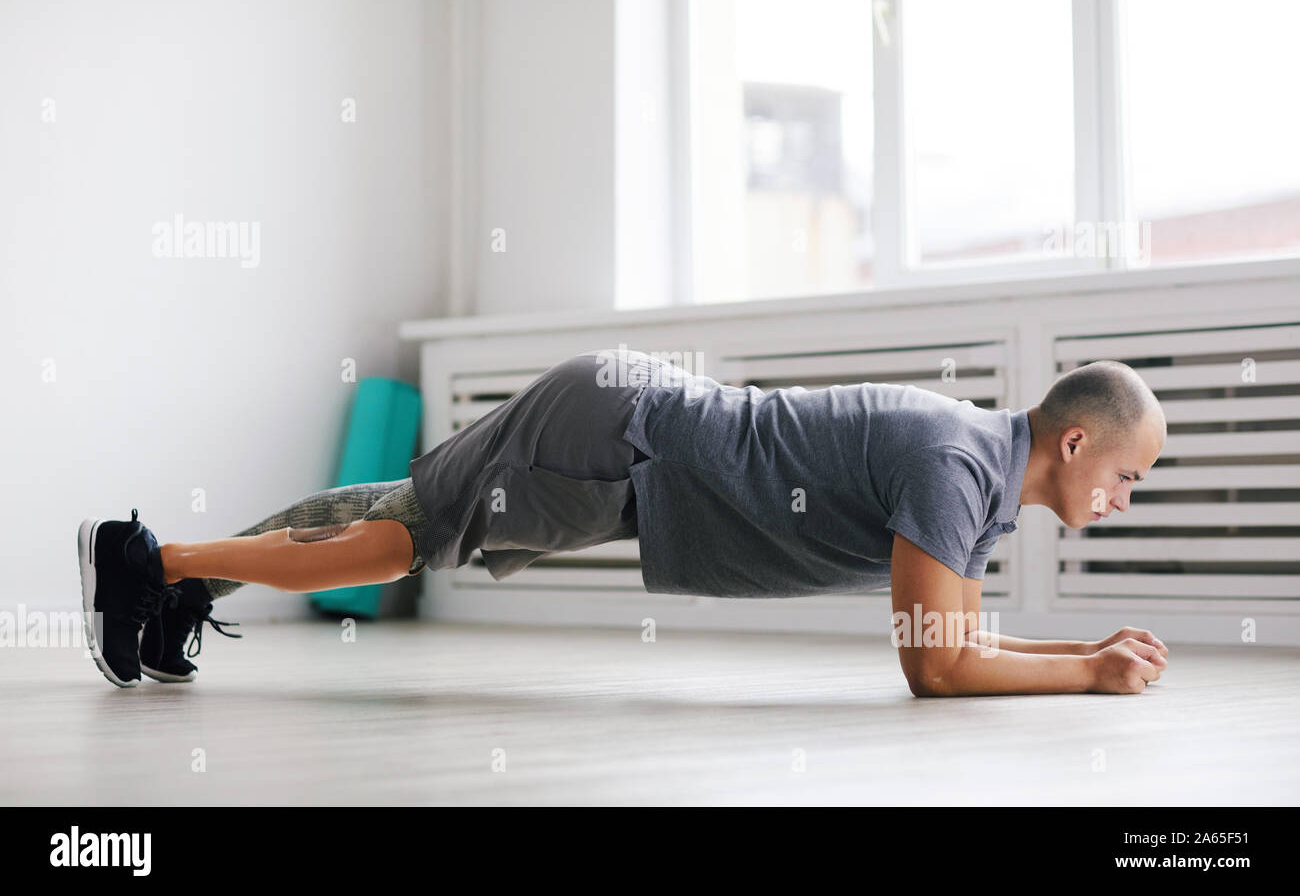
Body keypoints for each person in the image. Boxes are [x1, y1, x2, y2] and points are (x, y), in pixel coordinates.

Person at [77, 346, 1170, 696]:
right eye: (1125, 477)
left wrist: (1082, 648)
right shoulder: (954, 460)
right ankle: (151, 559)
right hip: (625, 437)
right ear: (1074, 442)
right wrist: (1082, 673)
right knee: (404, 538)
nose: (1121, 501)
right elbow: (934, 668)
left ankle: (170, 577)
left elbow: (959, 641)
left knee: (400, 516)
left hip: (627, 430)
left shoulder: (978, 471)